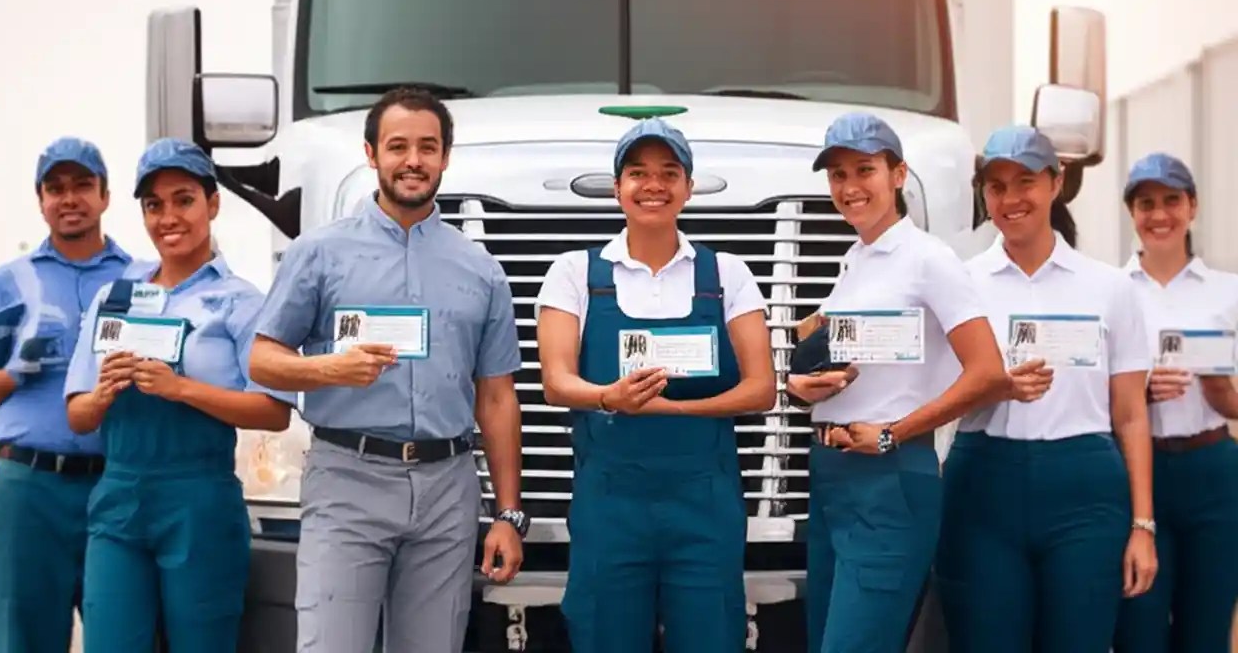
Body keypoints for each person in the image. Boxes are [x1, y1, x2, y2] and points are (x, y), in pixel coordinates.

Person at [247, 87, 527, 653]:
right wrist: (330, 370)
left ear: (446, 157)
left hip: (447, 488)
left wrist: (508, 514)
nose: (414, 161)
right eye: (398, 146)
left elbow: (496, 399)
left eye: (428, 147)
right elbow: (260, 359)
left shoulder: (481, 269)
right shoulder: (319, 254)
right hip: (348, 477)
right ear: (371, 154)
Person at [534, 118, 776, 652]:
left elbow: (763, 390)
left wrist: (674, 410)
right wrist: (607, 398)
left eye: (670, 172)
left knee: (712, 639)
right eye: (638, 172)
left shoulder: (727, 275)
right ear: (617, 187)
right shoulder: (575, 273)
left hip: (705, 503)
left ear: (688, 188)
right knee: (604, 638)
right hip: (611, 503)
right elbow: (555, 382)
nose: (654, 185)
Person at [786, 112, 1008, 653]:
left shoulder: (930, 260)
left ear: (899, 175)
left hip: (889, 476)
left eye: (865, 170)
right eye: (837, 175)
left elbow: (988, 372)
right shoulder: (854, 261)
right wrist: (803, 387)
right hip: (833, 475)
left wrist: (895, 432)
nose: (850, 187)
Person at [63, 138, 296, 652]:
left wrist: (181, 388)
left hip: (199, 500)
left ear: (212, 204)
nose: (169, 216)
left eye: (184, 199)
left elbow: (275, 411)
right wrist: (102, 393)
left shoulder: (240, 301)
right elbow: (78, 416)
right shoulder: (116, 297)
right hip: (119, 497)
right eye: (154, 204)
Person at [934, 126, 1158, 653]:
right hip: (984, 485)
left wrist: (1143, 524)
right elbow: (938, 392)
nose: (1011, 199)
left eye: (1026, 182)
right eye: (996, 186)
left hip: (1084, 490)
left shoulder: (1110, 288)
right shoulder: (958, 284)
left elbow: (1130, 414)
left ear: (1057, 184)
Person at [0, 136, 130, 652]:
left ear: (105, 195)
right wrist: (16, 371)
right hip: (28, 488)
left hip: (118, 484)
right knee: (21, 638)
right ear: (41, 201)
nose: (69, 198)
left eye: (82, 185)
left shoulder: (139, 280)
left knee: (125, 634)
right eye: (55, 188)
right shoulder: (6, 283)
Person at [1112, 153, 1238, 653]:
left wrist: (1222, 393)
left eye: (1171, 201)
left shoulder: (1228, 292)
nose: (1159, 215)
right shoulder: (1111, 289)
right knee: (1138, 629)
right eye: (1146, 204)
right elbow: (1085, 395)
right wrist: (1136, 391)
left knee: (1206, 632)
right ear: (1131, 212)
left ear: (1193, 207)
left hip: (1214, 472)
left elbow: (1235, 404)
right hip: (1137, 475)